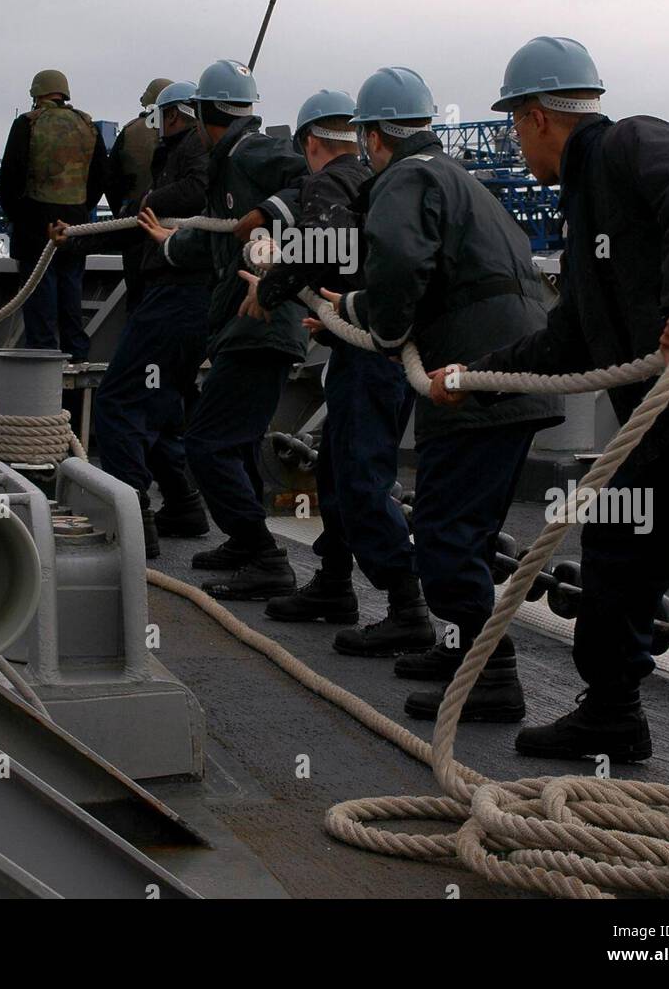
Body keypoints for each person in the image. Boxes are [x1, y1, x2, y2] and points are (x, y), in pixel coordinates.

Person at [432, 35, 669, 768]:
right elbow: (569, 337)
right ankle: (611, 716)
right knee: (616, 551)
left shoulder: (632, 143)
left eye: (510, 123)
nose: (511, 138)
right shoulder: (583, 211)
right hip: (666, 409)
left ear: (534, 117)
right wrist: (473, 374)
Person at [323, 66, 562, 720]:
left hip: (474, 379)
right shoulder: (458, 179)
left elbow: (401, 262)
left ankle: (489, 678)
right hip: (511, 373)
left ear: (374, 136)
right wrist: (351, 303)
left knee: (444, 532)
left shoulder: (404, 177)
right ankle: (461, 650)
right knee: (467, 530)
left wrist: (382, 324)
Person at [238, 90, 425, 652]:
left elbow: (319, 248)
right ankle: (334, 583)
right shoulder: (373, 184)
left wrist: (269, 290)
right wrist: (336, 311)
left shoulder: (328, 181)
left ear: (311, 143)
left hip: (369, 357)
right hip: (377, 344)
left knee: (359, 476)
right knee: (340, 469)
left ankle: (407, 604)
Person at [139, 58, 309, 601]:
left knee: (207, 444)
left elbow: (312, 176)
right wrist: (167, 239)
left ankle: (264, 555)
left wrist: (267, 212)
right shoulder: (226, 167)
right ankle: (244, 542)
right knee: (234, 443)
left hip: (262, 323)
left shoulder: (250, 152)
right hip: (247, 326)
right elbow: (216, 235)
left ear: (206, 111)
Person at [52, 81, 210, 558]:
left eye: (159, 119)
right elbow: (130, 232)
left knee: (119, 401)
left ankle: (131, 517)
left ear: (175, 116)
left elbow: (186, 195)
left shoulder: (194, 156)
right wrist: (74, 238)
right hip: (189, 305)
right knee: (160, 408)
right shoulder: (178, 160)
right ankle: (183, 504)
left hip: (172, 300)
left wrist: (148, 203)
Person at [0, 70, 108, 362]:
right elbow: (99, 176)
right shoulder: (87, 125)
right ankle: (77, 355)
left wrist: (18, 215)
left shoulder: (27, 124)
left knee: (39, 294)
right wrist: (80, 209)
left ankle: (43, 358)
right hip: (75, 222)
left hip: (34, 224)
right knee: (71, 290)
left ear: (36, 95)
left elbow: (10, 176)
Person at [107, 78, 173, 312]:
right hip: (175, 233)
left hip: (136, 227)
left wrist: (124, 214)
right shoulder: (192, 133)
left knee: (137, 299)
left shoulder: (131, 131)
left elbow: (111, 181)